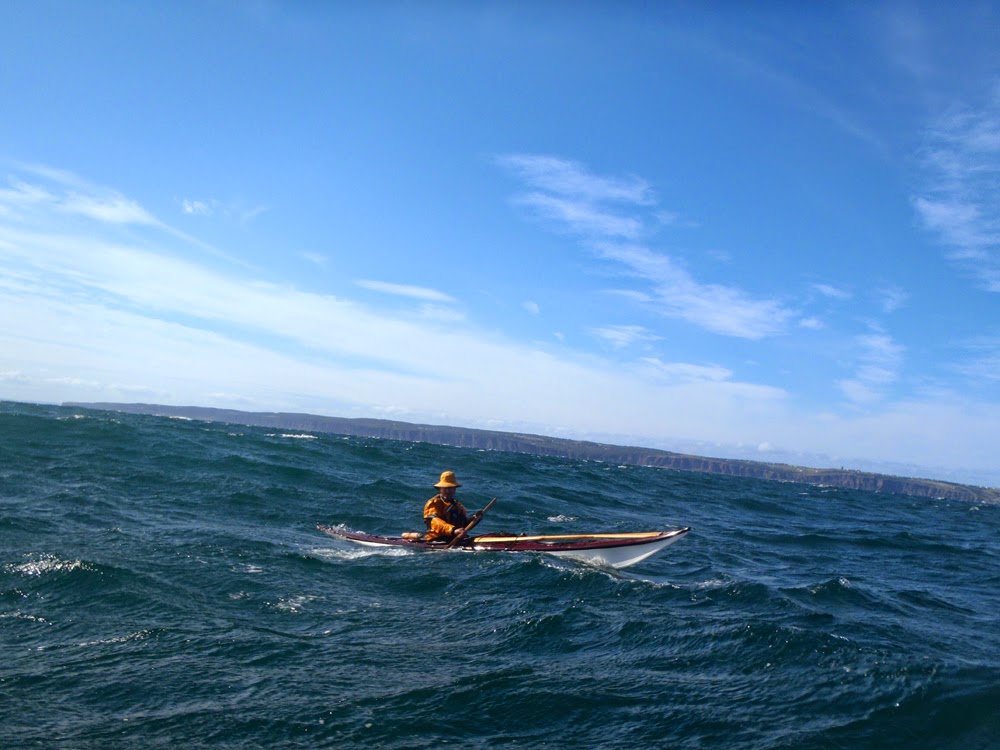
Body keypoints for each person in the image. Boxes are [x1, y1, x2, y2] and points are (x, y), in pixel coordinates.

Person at [423, 470, 470, 543]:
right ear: (440, 489)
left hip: (454, 539)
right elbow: (435, 522)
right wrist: (453, 530)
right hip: (437, 539)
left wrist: (475, 518)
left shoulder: (458, 506)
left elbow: (463, 525)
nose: (448, 491)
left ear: (455, 489)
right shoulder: (433, 503)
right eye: (445, 488)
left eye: (450, 488)